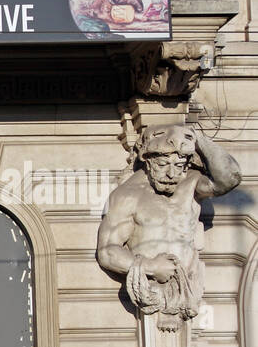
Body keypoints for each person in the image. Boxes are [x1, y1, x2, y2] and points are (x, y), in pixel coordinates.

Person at [97, 125, 241, 329]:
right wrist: (150, 266)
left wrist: (198, 138)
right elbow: (107, 251)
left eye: (179, 165)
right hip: (150, 290)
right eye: (163, 164)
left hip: (187, 291)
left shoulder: (191, 184)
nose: (171, 174)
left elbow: (229, 178)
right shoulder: (127, 195)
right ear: (148, 160)